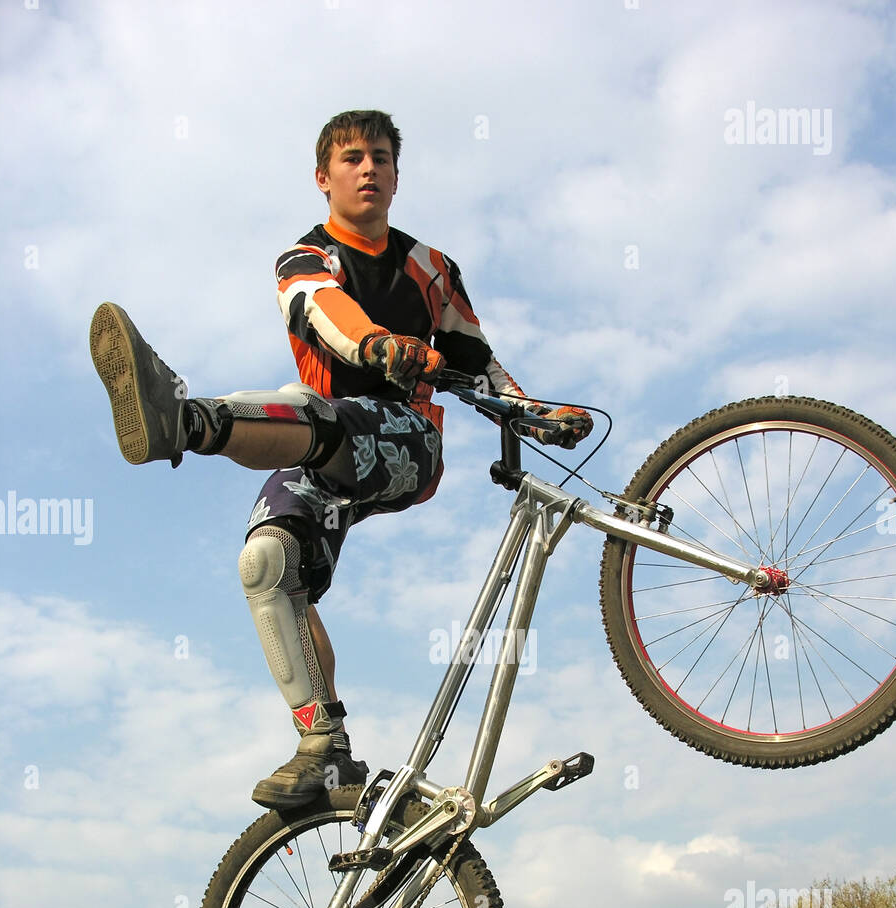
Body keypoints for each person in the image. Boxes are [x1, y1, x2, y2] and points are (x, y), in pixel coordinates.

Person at [90, 109, 592, 810]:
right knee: (268, 563)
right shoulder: (302, 258)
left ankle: (185, 420)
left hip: (406, 442)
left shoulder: (432, 269)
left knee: (322, 417)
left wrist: (536, 414)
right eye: (353, 158)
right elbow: (323, 310)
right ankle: (324, 747)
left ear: (396, 175)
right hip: (317, 445)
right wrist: (377, 344)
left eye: (382, 158)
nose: (369, 169)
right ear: (323, 178)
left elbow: (479, 363)